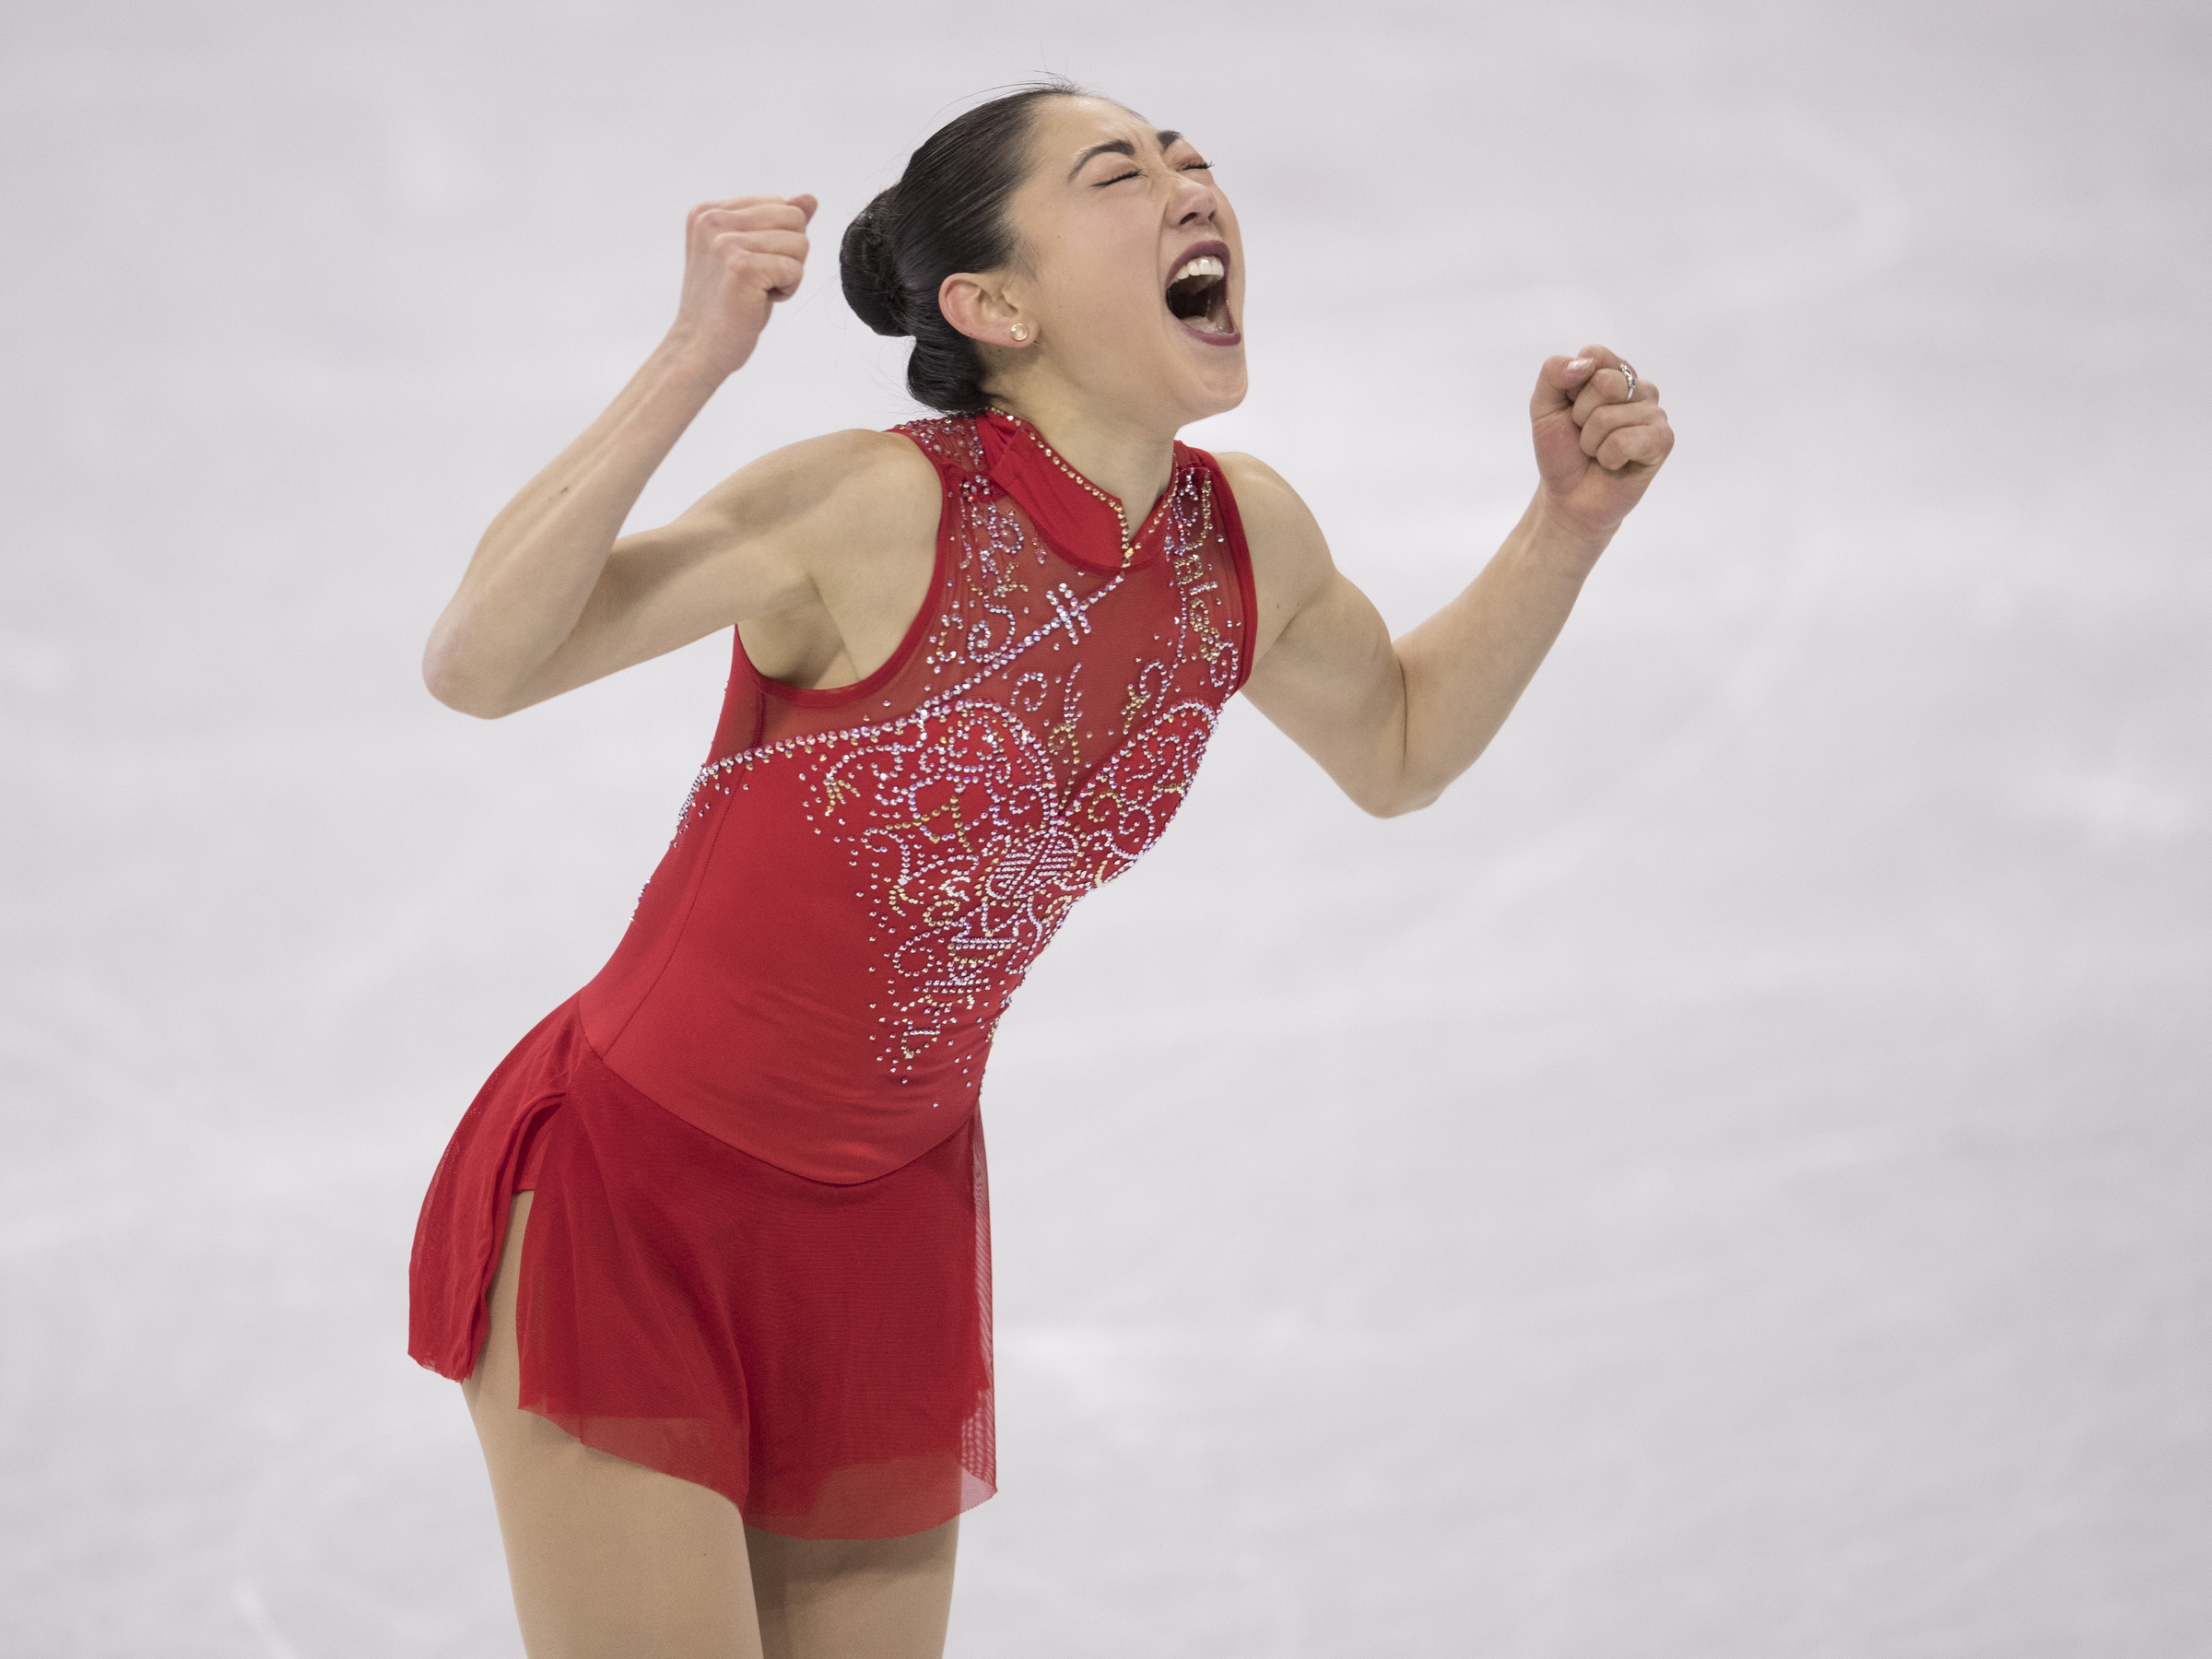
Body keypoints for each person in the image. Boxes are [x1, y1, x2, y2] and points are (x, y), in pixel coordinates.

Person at [407, 79, 1673, 1659]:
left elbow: (1400, 745)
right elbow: (479, 664)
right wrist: (694, 360)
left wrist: (1566, 525)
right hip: (633, 1199)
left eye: (1190, 158)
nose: (1187, 181)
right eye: (1117, 175)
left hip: (889, 1238)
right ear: (992, 304)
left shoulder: (1241, 544)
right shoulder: (876, 508)